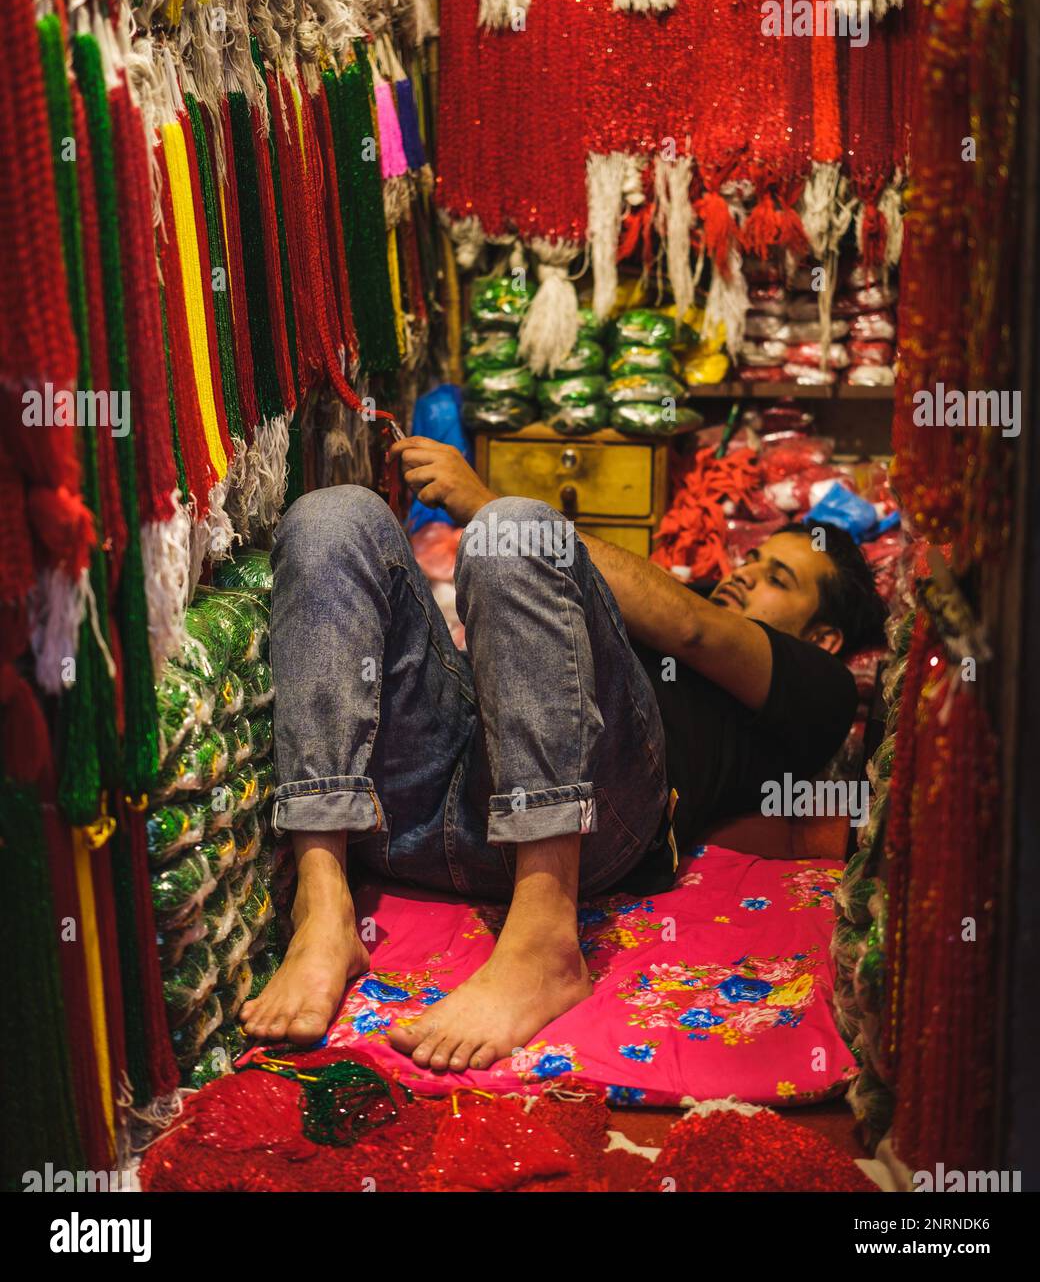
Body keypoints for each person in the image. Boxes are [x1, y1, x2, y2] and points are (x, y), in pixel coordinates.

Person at [240, 436, 887, 1073]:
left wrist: (485, 501)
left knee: (516, 528)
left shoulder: (819, 690)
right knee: (332, 514)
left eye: (778, 578)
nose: (745, 573)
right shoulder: (666, 609)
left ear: (824, 636)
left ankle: (544, 936)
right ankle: (322, 906)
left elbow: (695, 629)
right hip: (426, 796)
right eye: (754, 559)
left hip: (590, 820)